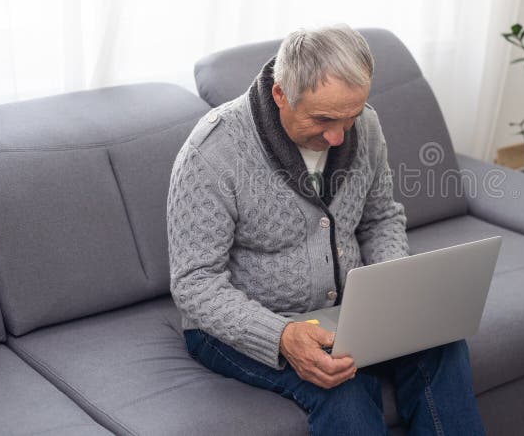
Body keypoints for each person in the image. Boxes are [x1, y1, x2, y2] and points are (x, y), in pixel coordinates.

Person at [167, 24, 485, 435]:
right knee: (343, 393)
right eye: (323, 119)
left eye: (350, 117)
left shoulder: (365, 126)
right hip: (242, 327)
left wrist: (393, 289)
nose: (338, 136)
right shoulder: (212, 152)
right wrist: (281, 335)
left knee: (441, 346)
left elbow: (380, 218)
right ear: (281, 95)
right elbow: (195, 283)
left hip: (344, 314)